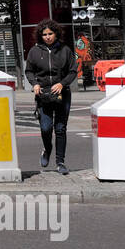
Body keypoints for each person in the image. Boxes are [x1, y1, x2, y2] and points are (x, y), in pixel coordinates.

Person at [26, 19, 77, 175]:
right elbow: (29, 71)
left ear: (56, 34)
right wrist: (34, 84)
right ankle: (47, 149)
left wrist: (62, 83)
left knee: (60, 129)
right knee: (46, 128)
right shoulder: (34, 52)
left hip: (62, 94)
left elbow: (73, 71)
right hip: (44, 95)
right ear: (40, 36)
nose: (47, 37)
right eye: (44, 34)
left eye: (50, 34)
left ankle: (60, 162)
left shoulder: (65, 50)